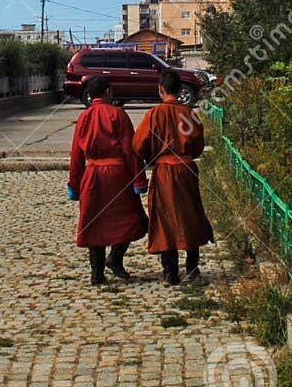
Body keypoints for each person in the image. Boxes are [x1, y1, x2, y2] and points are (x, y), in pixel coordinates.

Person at [134, 70, 214, 285]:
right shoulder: (190, 114)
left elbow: (139, 145)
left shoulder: (153, 114)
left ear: (161, 90)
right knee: (191, 213)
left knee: (164, 217)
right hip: (187, 169)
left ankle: (170, 272)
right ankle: (192, 266)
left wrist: (153, 157)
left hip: (164, 171)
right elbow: (198, 146)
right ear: (180, 90)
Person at [67, 76, 148, 285]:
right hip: (118, 176)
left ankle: (97, 272)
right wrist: (139, 180)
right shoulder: (118, 115)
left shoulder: (83, 118)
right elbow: (131, 151)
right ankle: (115, 258)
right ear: (108, 92)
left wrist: (74, 185)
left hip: (92, 174)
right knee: (132, 218)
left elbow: (76, 155)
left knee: (94, 221)